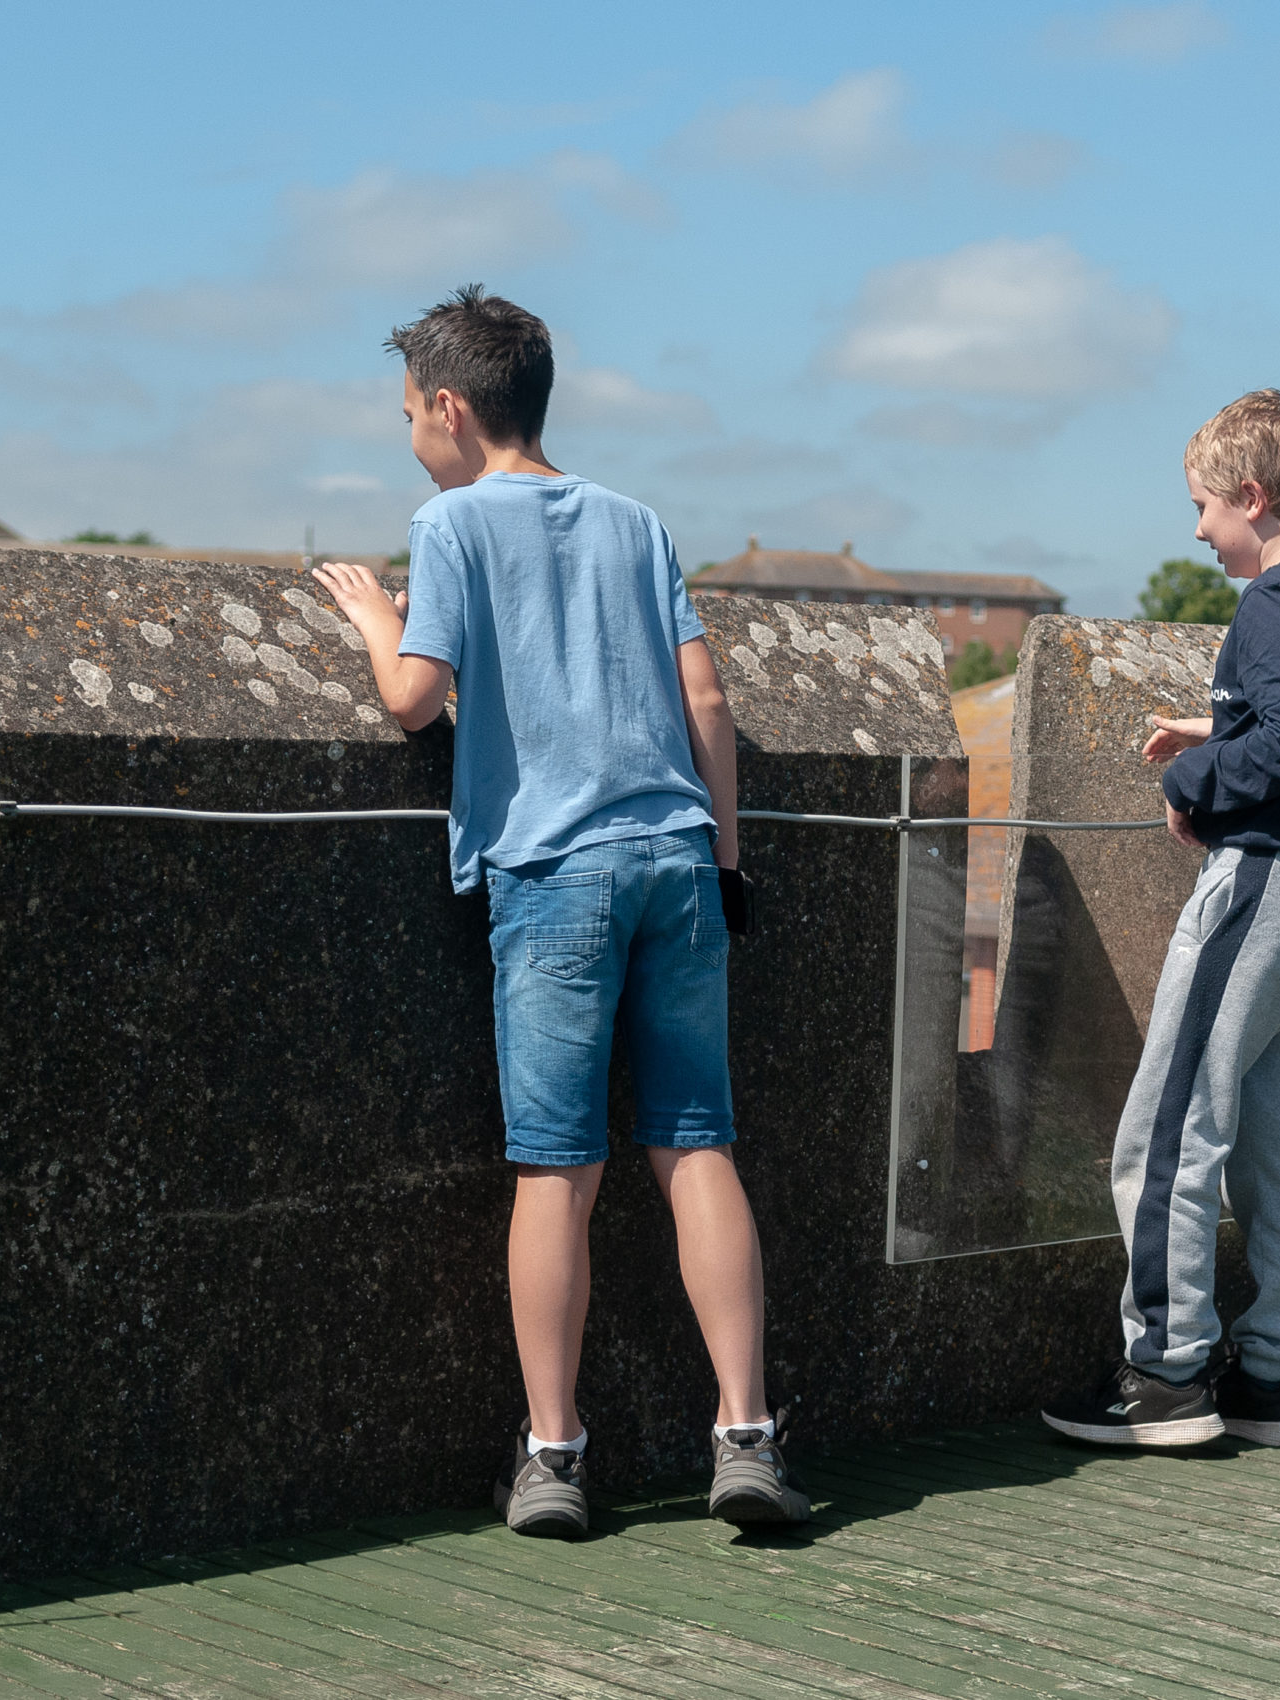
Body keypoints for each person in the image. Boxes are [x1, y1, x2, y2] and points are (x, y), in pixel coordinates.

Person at [314, 285, 807, 1535]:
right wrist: (727, 856)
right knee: (697, 1142)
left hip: (555, 871)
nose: (408, 437)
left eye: (407, 414)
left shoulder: (451, 522)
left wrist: (377, 617)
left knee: (558, 1168)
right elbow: (707, 706)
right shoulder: (636, 519)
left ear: (450, 407)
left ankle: (554, 1452)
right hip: (680, 857)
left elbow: (415, 701)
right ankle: (744, 1432)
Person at [1041, 389, 1280, 1451]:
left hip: (1268, 885)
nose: (1196, 529)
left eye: (1201, 505)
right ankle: (1273, 1380)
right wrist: (1224, 718)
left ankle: (1164, 1376)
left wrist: (1196, 775)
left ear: (1251, 495)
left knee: (1165, 1132)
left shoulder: (1275, 600)